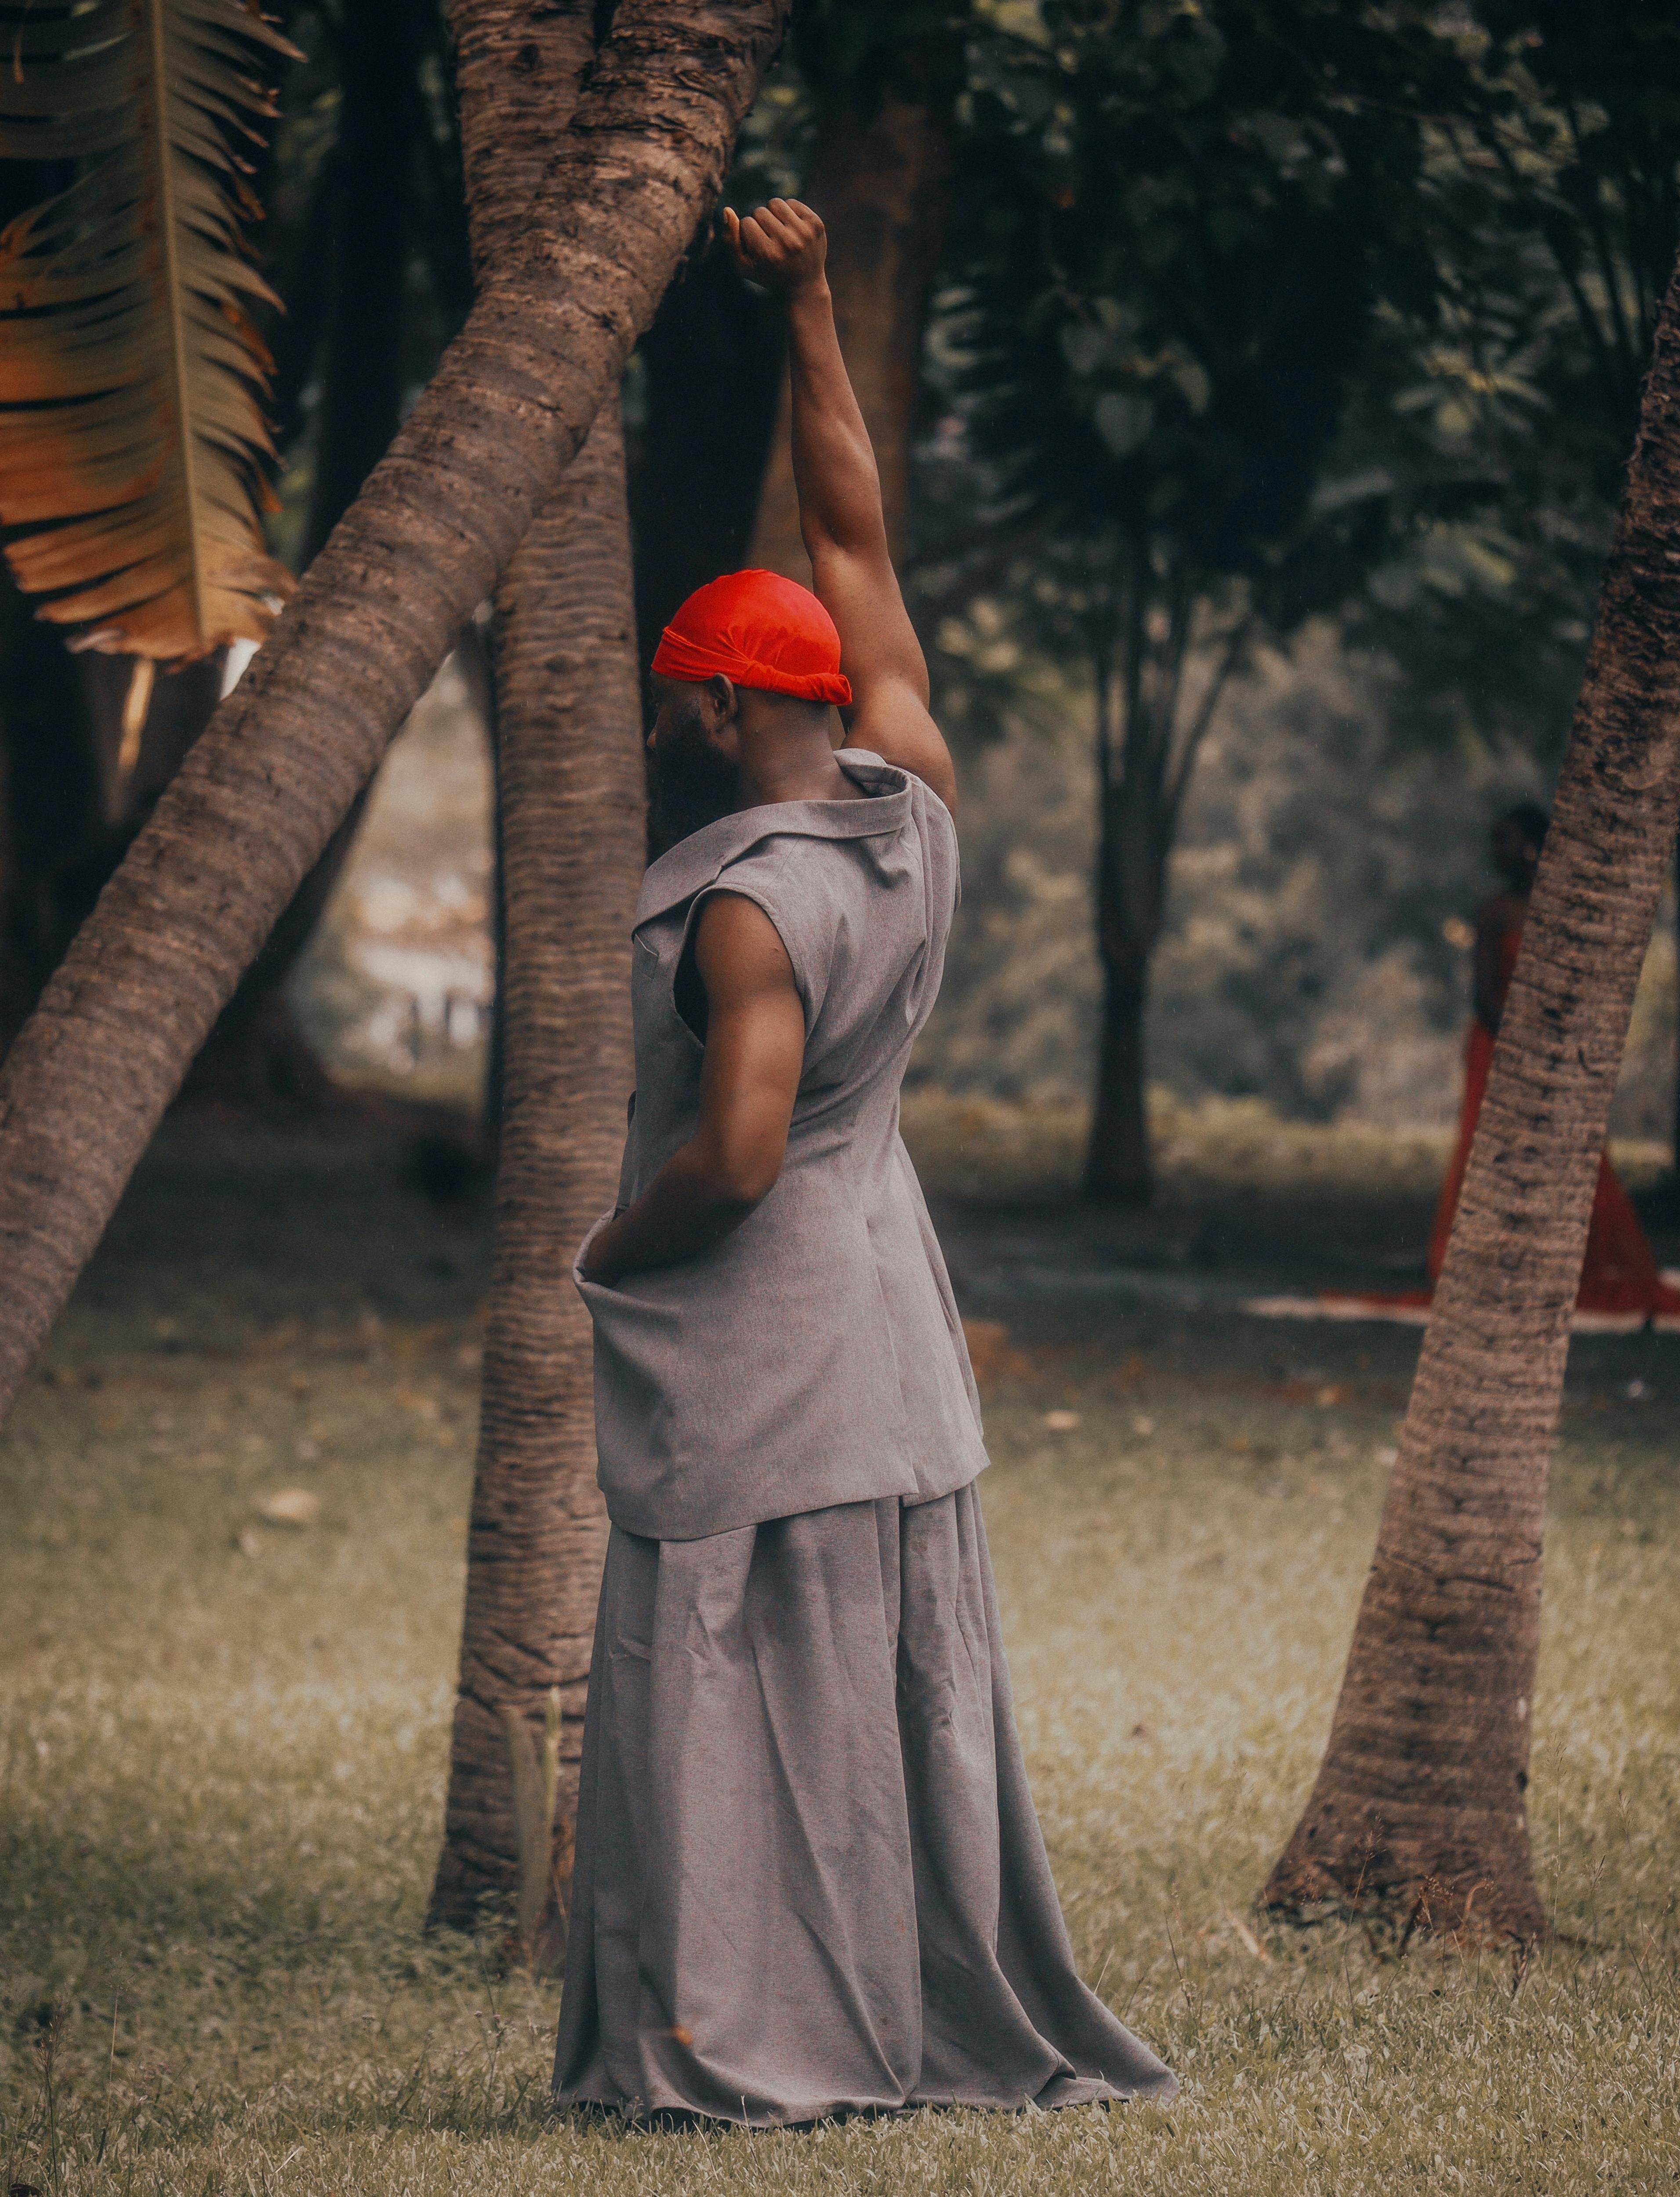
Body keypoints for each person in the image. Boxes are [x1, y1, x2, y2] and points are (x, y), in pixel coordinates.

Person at [552, 198, 1176, 2126]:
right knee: (871, 1679)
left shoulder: (749, 905)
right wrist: (812, 304)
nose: (669, 713)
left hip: (768, 1327)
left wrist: (611, 1245)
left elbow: (737, 1157)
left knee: (729, 1664)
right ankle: (890, 2008)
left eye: (679, 689)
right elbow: (855, 537)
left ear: (722, 702)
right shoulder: (913, 796)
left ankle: (742, 2034)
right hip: (891, 1309)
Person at [1425, 802, 1680, 1326]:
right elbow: (1482, 996)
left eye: (1504, 839)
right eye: (1493, 840)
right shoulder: (1493, 913)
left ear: (1532, 845)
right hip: (1497, 1048)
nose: (1495, 851)